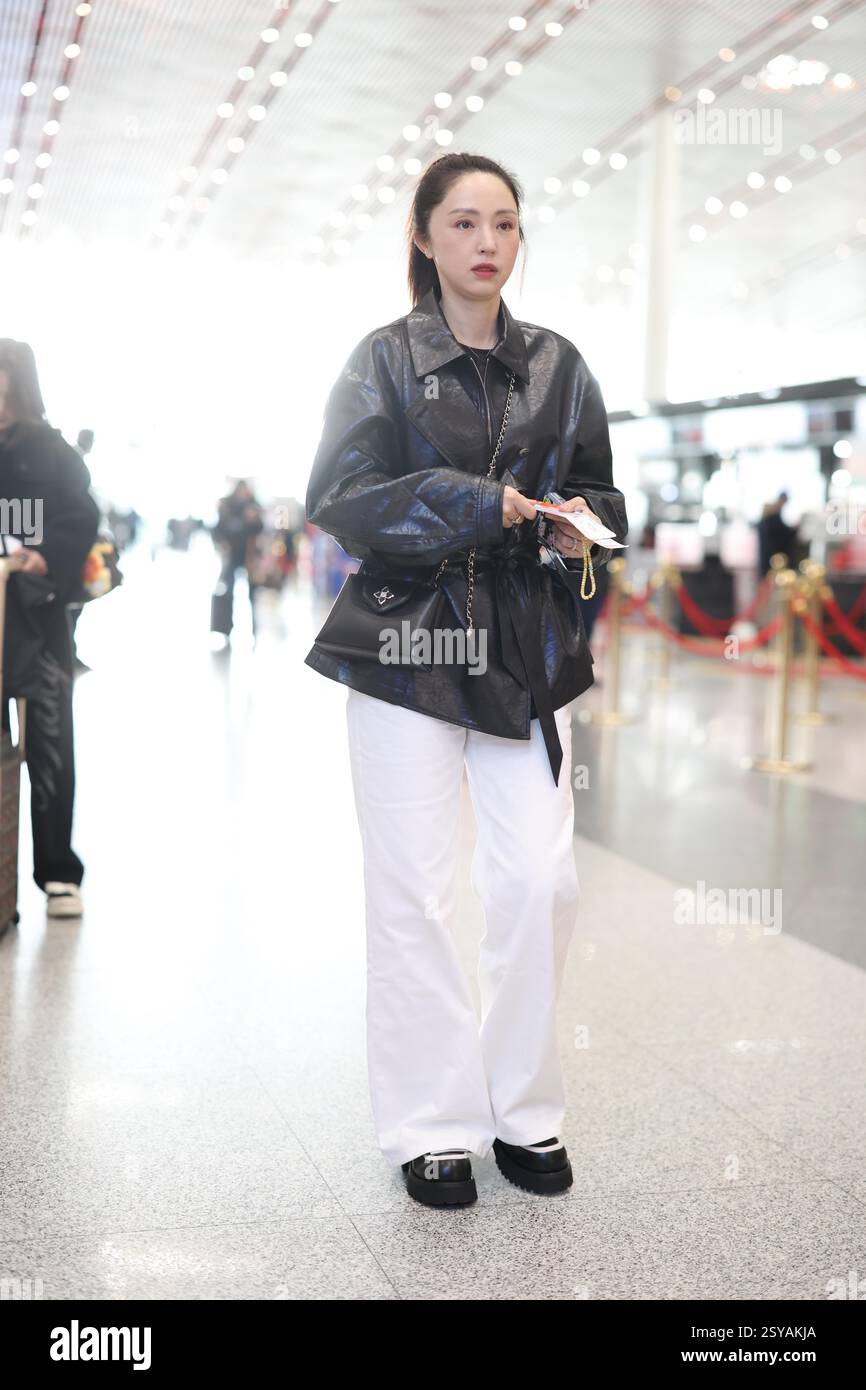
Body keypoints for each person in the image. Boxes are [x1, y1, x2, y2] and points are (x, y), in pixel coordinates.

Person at [304, 152, 628, 1208]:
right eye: (462, 223)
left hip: (524, 648)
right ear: (423, 237)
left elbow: (597, 493)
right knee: (413, 892)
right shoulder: (383, 360)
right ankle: (429, 1124)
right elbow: (341, 495)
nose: (484, 241)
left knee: (540, 881)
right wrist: (467, 502)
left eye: (502, 223)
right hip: (403, 643)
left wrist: (575, 526)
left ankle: (523, 1109)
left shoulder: (560, 364)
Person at [0, 339, 99, 918]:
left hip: (38, 623)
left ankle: (59, 871)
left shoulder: (54, 452)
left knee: (51, 743)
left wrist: (46, 558)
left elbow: (82, 517)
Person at [211, 479, 264, 636]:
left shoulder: (254, 505)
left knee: (252, 595)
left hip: (249, 557)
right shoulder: (226, 505)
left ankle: (254, 629)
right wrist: (222, 543)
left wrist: (253, 518)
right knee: (228, 592)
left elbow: (260, 528)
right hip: (231, 556)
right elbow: (217, 529)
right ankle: (226, 629)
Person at [757, 491, 797, 575]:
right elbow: (782, 534)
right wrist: (794, 530)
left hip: (766, 555)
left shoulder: (768, 515)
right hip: (773, 556)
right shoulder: (774, 515)